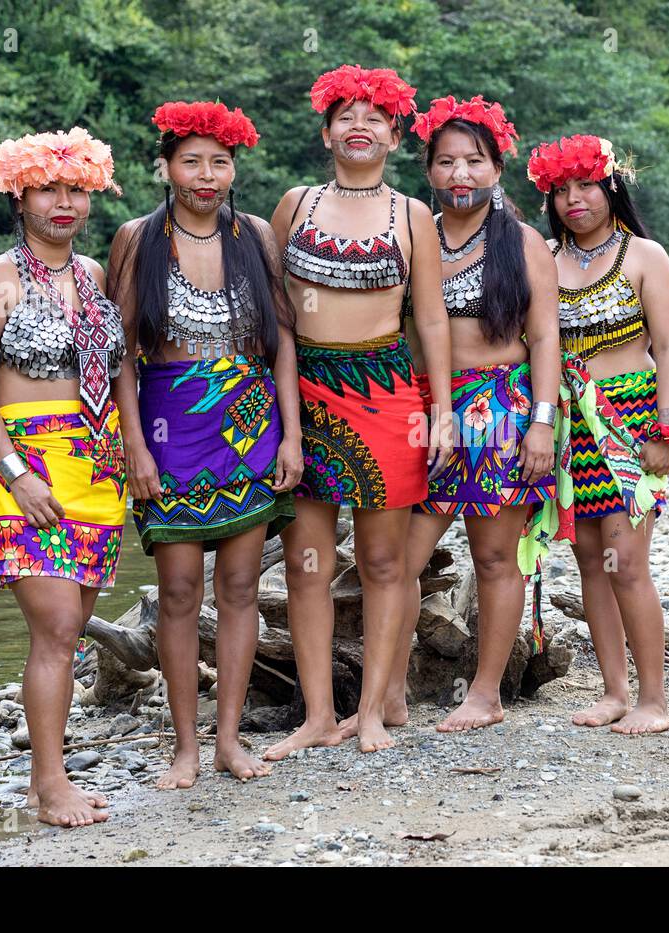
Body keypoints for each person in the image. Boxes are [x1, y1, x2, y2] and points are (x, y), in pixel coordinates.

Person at [107, 101, 302, 788]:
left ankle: (228, 739)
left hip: (249, 425)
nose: (206, 175)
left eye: (219, 162)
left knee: (242, 586)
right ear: (165, 167)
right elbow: (121, 354)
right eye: (191, 161)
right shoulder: (136, 239)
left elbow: (282, 345)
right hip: (168, 428)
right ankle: (184, 747)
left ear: (234, 168)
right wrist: (135, 445)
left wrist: (291, 436)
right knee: (180, 590)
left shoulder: (254, 236)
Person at [353, 94, 559, 734]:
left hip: (502, 407)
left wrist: (544, 422)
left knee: (494, 558)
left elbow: (546, 335)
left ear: (498, 167)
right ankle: (386, 692)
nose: (460, 174)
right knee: (397, 560)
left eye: (474, 161)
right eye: (446, 162)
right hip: (422, 405)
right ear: (428, 169)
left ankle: (487, 691)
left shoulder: (521, 242)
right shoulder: (414, 233)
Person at [265, 65, 453, 757]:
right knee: (307, 564)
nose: (360, 126)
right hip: (306, 391)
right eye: (347, 115)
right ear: (326, 131)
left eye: (375, 117)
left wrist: (443, 413)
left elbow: (430, 321)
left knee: (383, 563)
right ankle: (318, 715)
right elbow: (277, 314)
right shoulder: (295, 206)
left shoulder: (413, 217)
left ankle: (373, 710)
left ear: (395, 135)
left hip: (387, 391)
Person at [0, 127, 126, 826]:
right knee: (55, 627)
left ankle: (44, 779)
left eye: (76, 190)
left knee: (73, 627)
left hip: (97, 469)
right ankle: (52, 783)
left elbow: (119, 377)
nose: (63, 202)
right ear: (18, 194)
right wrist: (16, 473)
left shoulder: (94, 278)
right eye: (48, 189)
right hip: (27, 470)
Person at [524, 134, 669, 734]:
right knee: (589, 558)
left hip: (629, 419)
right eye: (561, 190)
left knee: (628, 563)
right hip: (567, 425)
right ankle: (614, 691)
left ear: (610, 185)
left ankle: (654, 699)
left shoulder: (646, 256)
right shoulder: (542, 256)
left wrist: (665, 430)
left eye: (585, 186)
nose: (574, 199)